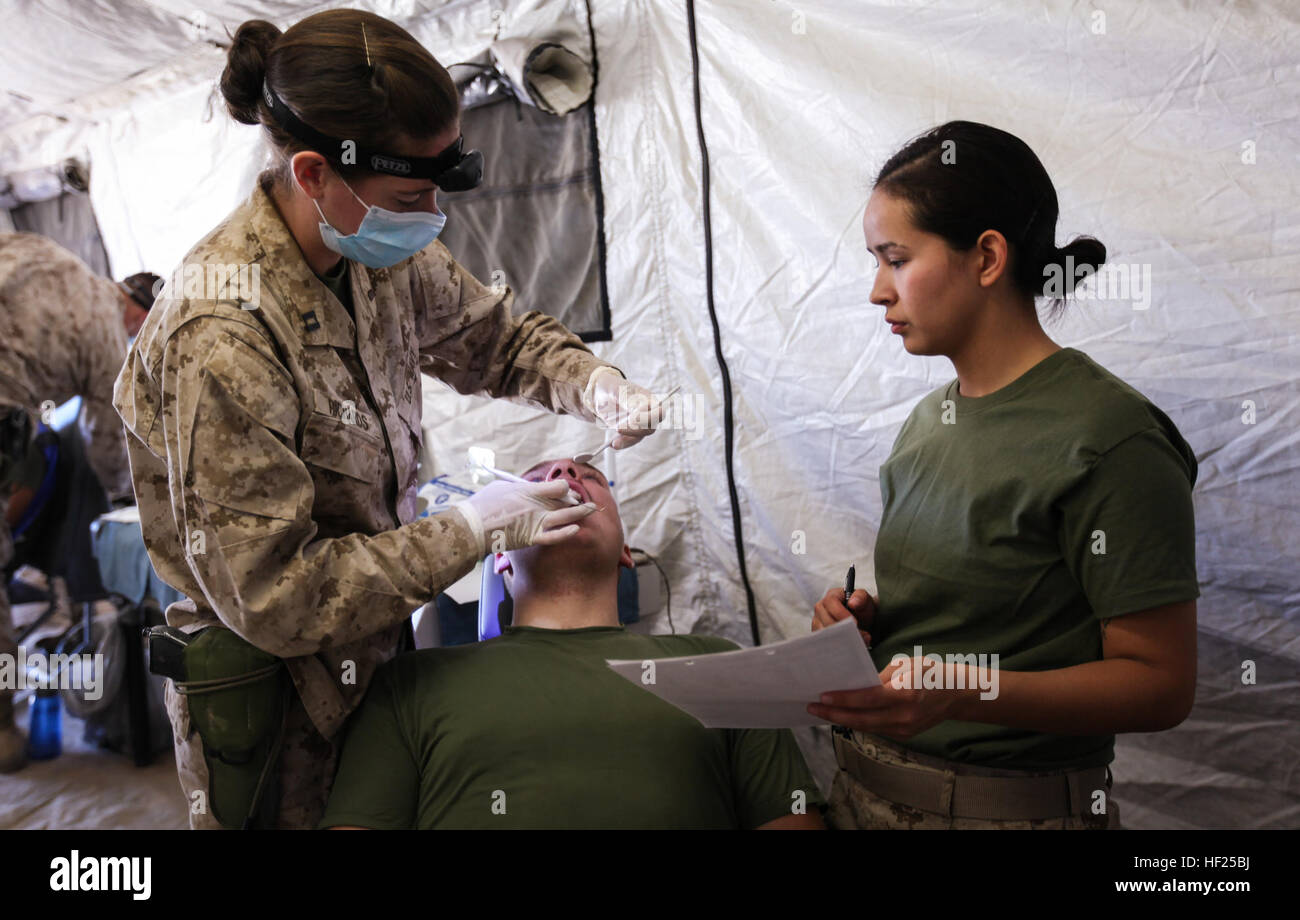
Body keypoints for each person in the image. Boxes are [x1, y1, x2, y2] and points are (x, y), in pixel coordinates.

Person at [112, 9, 665, 829]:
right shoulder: (219, 334)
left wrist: (592, 383)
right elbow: (276, 597)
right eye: (411, 195)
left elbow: (493, 339)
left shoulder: (378, 245)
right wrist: (471, 530)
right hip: (276, 703)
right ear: (312, 173)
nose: (431, 214)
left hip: (375, 654)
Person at [807, 121, 1198, 829]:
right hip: (861, 799)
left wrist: (964, 691)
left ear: (987, 257)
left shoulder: (1110, 440)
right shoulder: (929, 423)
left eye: (895, 259)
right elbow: (972, 610)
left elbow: (1161, 687)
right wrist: (863, 626)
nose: (875, 291)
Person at [320, 458, 825, 829]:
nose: (565, 475)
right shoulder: (410, 680)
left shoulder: (720, 664)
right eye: (538, 480)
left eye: (590, 476)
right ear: (498, 553)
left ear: (626, 551)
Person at [0, 232, 158, 773]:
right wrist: (125, 499)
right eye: (142, 326)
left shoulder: (53, 253)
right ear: (134, 312)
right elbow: (109, 441)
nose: (137, 334)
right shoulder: (108, 335)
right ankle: (1, 732)